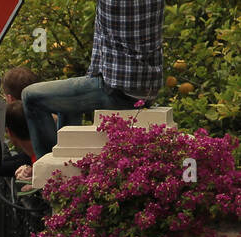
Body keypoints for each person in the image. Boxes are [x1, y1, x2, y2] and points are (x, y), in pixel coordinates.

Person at [22, 0, 164, 158]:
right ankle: (66, 157)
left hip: (117, 92)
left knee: (30, 97)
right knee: (67, 100)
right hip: (147, 90)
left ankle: (48, 169)